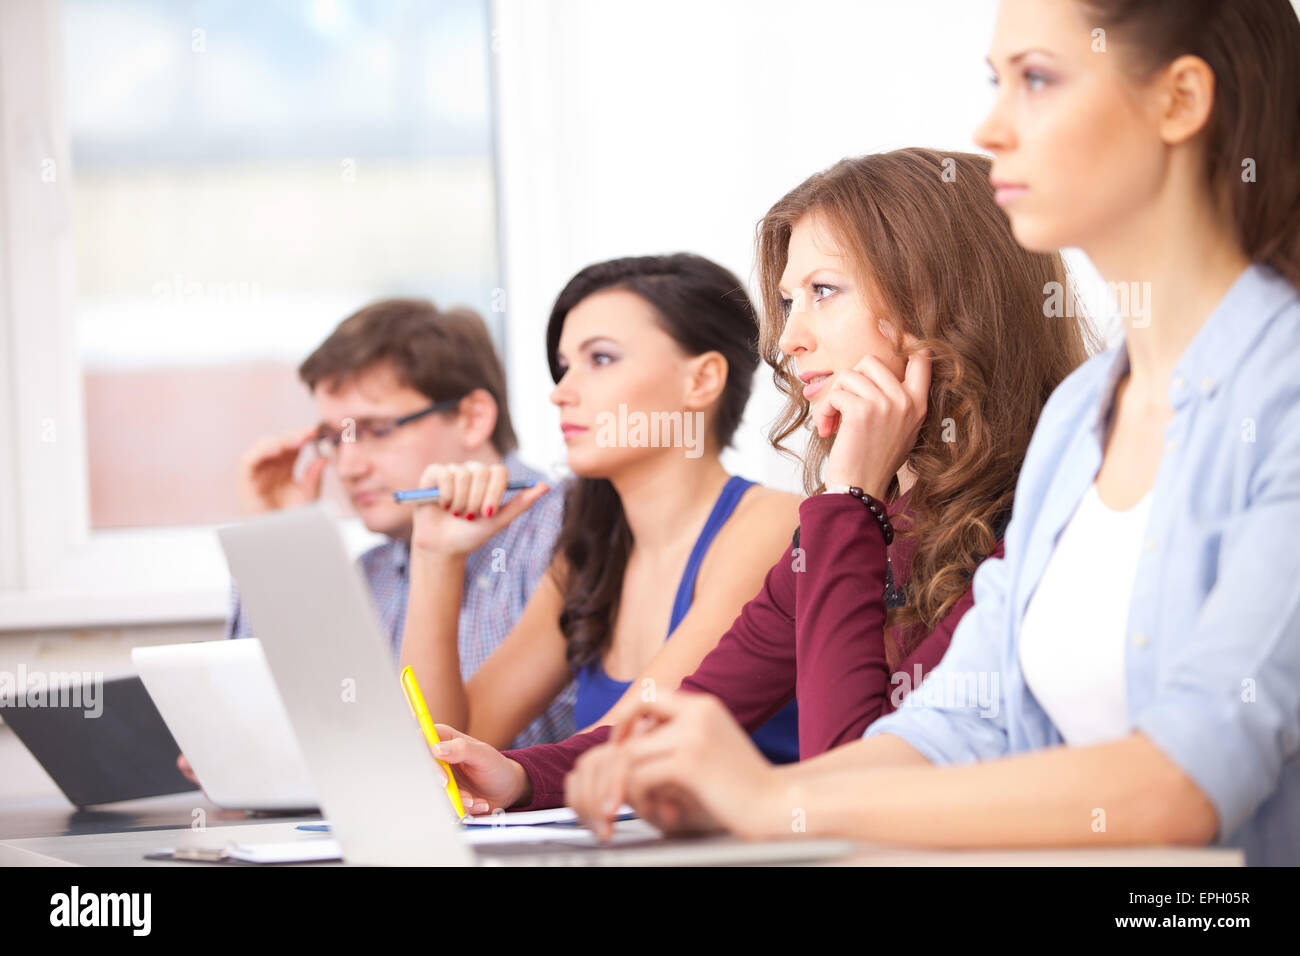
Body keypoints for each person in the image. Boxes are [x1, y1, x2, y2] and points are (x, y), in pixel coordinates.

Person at [559, 0, 1300, 866]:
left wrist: (768, 801)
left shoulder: (1278, 393)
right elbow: (956, 729)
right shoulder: (1083, 416)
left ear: (1180, 101)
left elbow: (1187, 778)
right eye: (997, 83)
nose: (992, 127)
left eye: (1037, 80)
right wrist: (728, 791)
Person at [415, 147, 1094, 818]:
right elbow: (692, 706)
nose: (787, 338)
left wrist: (850, 495)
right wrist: (517, 777)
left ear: (939, 302)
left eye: (822, 292)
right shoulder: (875, 517)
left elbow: (845, 780)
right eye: (788, 301)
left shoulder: (1036, 517)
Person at [397, 254, 805, 755]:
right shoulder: (590, 554)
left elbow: (625, 747)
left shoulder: (772, 525)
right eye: (565, 367)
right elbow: (444, 753)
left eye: (601, 359)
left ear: (701, 381)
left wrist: (516, 778)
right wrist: (436, 556)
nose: (561, 393)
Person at [226, 298, 573, 750]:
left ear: (472, 419)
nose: (347, 468)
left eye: (376, 430)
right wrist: (275, 542)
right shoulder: (372, 576)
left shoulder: (568, 528)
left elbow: (458, 755)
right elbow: (271, 732)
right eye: (334, 439)